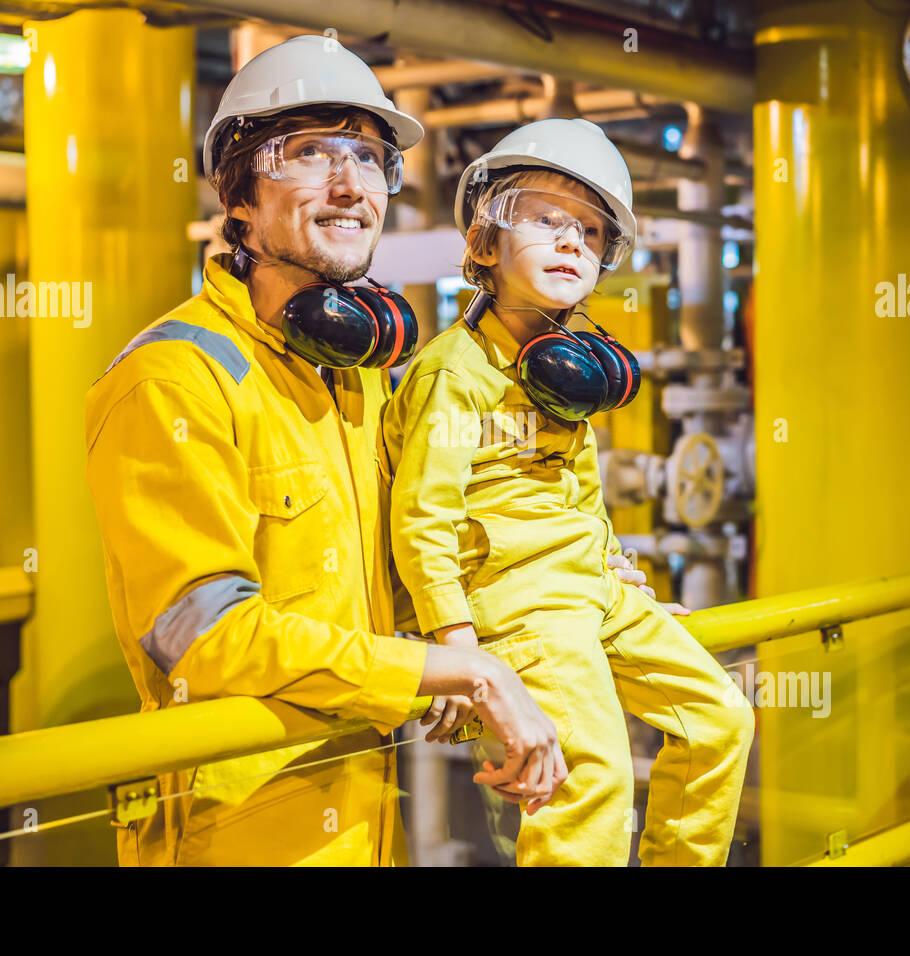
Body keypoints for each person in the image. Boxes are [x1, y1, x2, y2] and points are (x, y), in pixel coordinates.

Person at [84, 35, 566, 867]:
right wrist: (463, 676)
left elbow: (403, 570)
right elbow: (209, 639)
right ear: (240, 196)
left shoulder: (357, 380)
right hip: (238, 829)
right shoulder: (174, 378)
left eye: (371, 159)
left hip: (369, 805)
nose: (352, 185)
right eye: (310, 153)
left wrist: (584, 602)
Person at [381, 118, 756, 866]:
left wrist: (622, 581)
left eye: (590, 231)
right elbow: (423, 516)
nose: (571, 242)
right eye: (547, 221)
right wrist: (459, 650)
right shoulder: (455, 374)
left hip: (590, 591)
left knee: (720, 721)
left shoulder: (558, 372)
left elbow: (582, 499)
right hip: (521, 606)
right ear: (485, 245)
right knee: (594, 779)